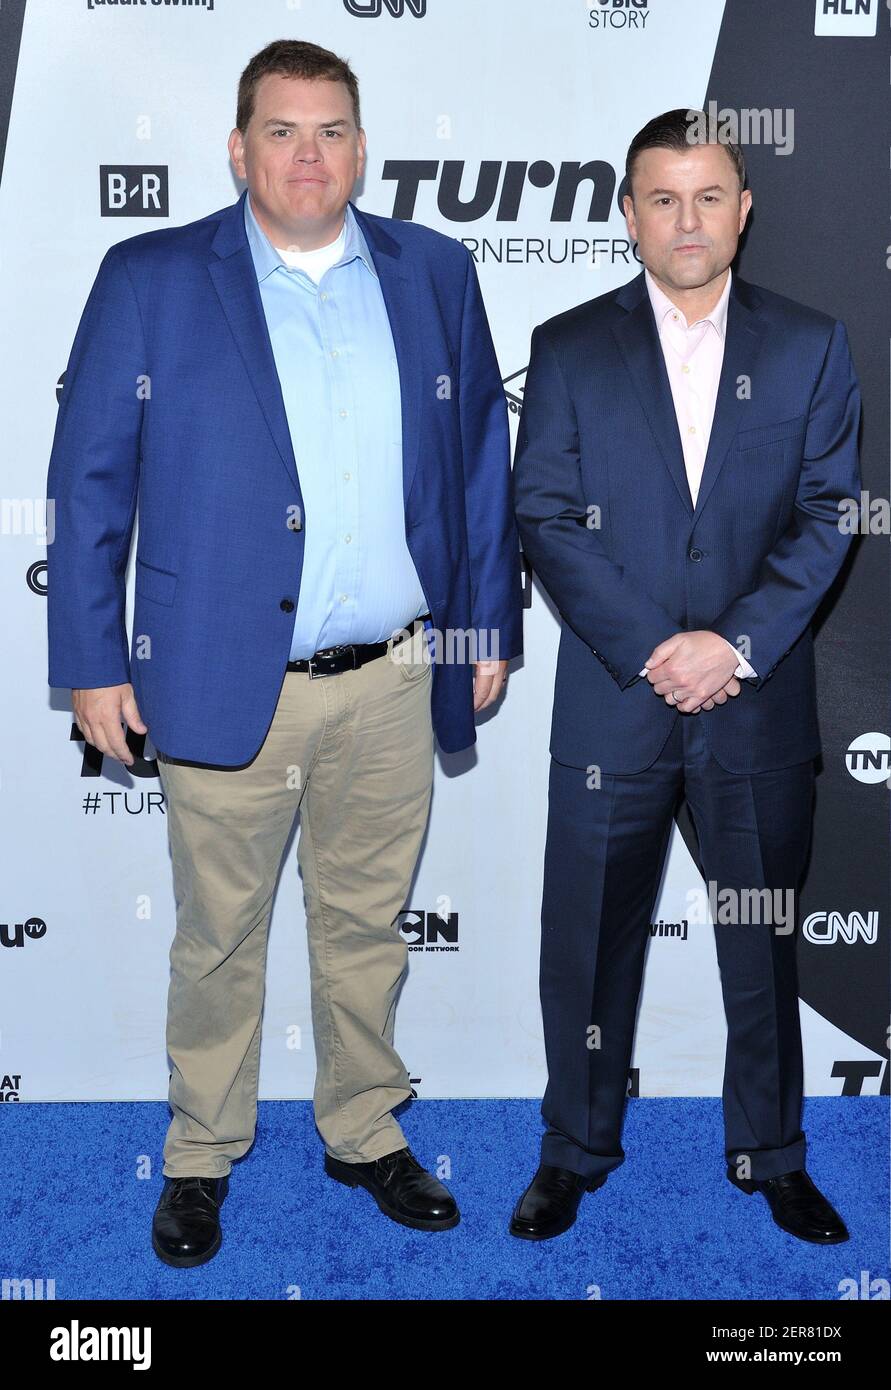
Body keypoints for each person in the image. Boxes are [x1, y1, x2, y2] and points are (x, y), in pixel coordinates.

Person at [46, 38, 522, 1267]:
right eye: (282, 130)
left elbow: (475, 470)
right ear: (237, 146)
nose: (308, 155)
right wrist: (93, 663)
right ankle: (202, 1150)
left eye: (330, 132)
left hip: (392, 682)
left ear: (362, 149)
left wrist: (481, 630)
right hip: (213, 672)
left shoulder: (435, 272)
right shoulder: (151, 275)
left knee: (367, 924)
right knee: (218, 935)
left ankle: (365, 1127)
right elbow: (90, 481)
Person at [510, 108, 859, 1244]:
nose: (687, 219)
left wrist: (735, 645)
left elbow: (825, 516)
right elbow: (547, 517)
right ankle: (576, 1148)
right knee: (591, 940)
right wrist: (661, 648)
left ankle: (773, 1152)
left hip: (757, 705)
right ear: (627, 215)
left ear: (744, 209)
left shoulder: (811, 346)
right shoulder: (567, 346)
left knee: (758, 940)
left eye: (710, 196)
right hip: (618, 699)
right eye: (662, 198)